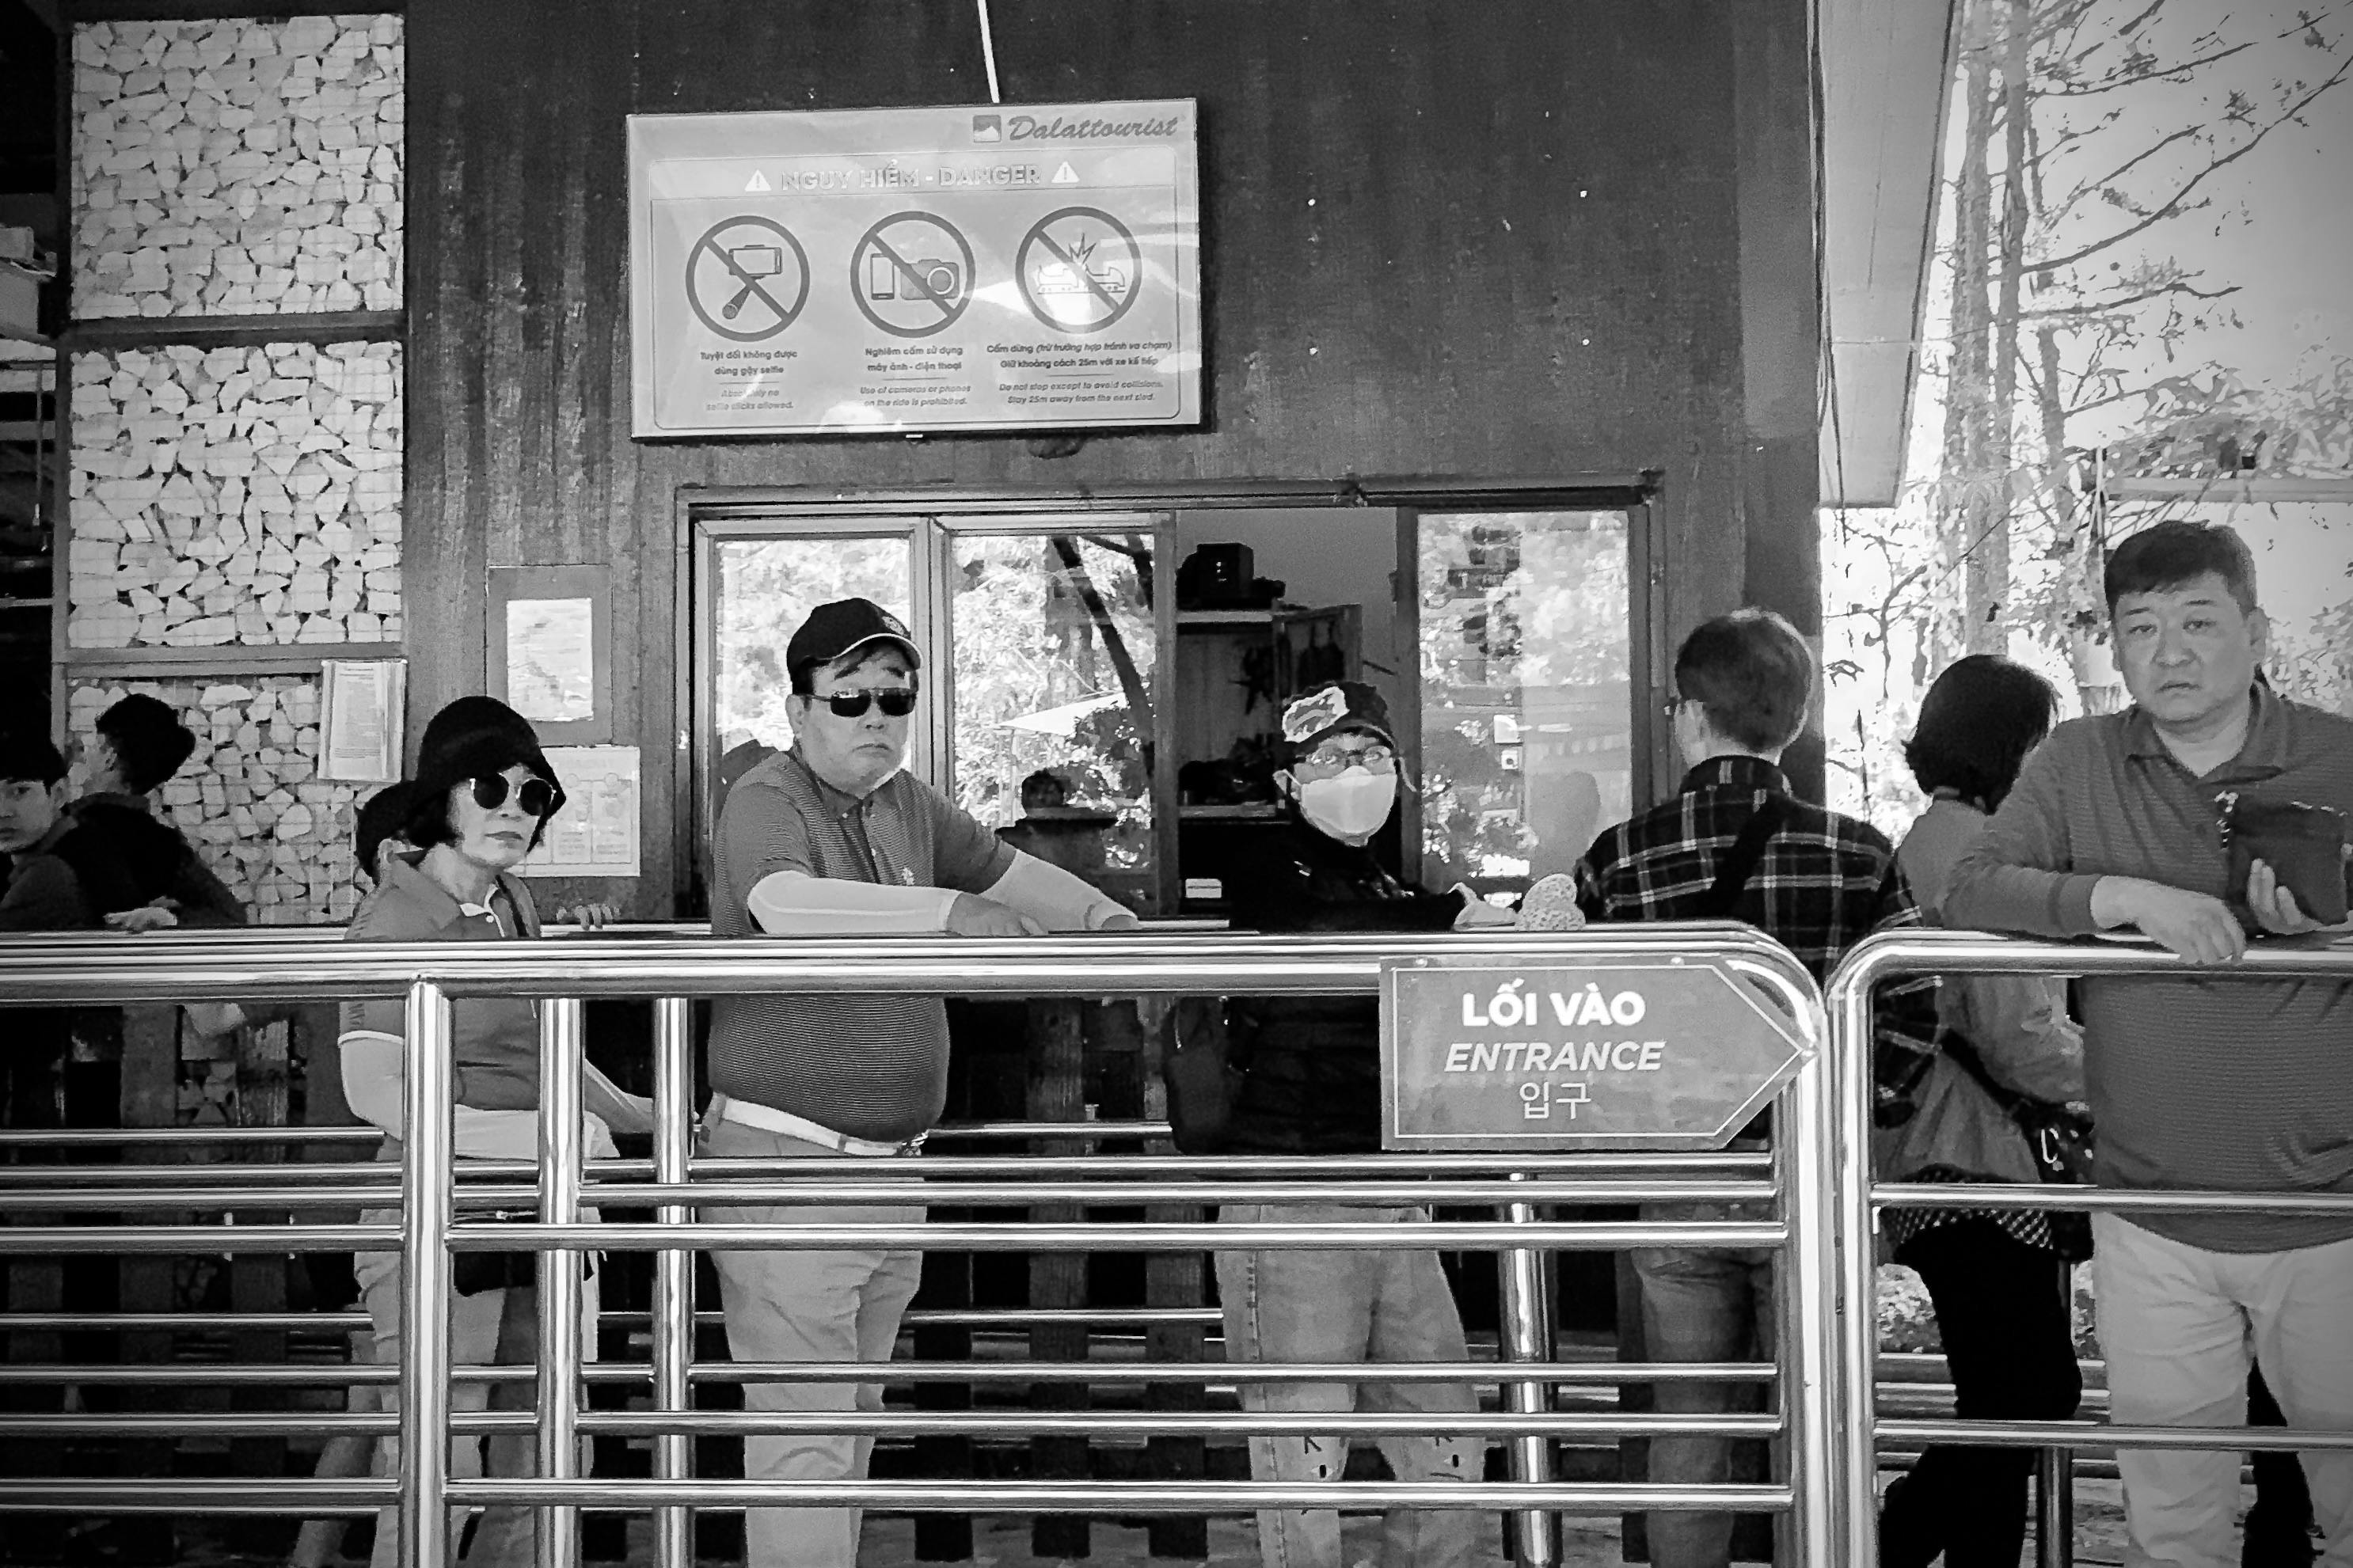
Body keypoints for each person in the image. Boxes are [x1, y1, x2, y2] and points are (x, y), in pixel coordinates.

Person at [1944, 521, 2353, 1568]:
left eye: (2200, 623)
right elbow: (1973, 886)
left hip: (2333, 1210)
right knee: (2173, 1520)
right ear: (2114, 648)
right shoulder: (2079, 759)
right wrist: (2122, 899)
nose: (2171, 653)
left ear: (2257, 632)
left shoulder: (2337, 754)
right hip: (2149, 1211)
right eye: (2142, 628)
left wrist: (2333, 925)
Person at [703, 598, 1137, 1567]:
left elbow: (1010, 872)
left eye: (892, 697)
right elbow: (780, 902)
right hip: (787, 1163)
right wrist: (947, 914)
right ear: (799, 706)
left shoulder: (907, 803)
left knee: (849, 1424)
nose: (873, 717)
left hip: (891, 1170)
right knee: (803, 1436)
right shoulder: (764, 798)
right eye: (848, 695)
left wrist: (1112, 927)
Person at [1576, 608, 1942, 1568]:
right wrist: (1848, 1123)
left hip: (1683, 1180)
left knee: (1689, 1428)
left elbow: (1581, 1022)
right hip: (1811, 1180)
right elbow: (1909, 1012)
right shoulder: (1859, 850)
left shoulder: (1620, 857)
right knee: (1818, 1422)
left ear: (1688, 715)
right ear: (1794, 719)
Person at [1211, 681, 1515, 1568]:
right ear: (1287, 780)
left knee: (1446, 1442)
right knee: (1302, 1465)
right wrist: (1447, 917)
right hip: (1291, 1199)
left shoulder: (1391, 882)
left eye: (1375, 756)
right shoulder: (1268, 868)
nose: (1359, 773)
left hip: (1396, 1198)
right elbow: (1313, 929)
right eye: (1333, 758)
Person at [337, 697, 646, 1568]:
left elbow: (542, 1055)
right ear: (442, 799)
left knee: (548, 1446)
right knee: (444, 1452)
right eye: (489, 786)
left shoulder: (511, 902)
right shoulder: (393, 918)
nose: (514, 805)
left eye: (535, 792)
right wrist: (558, 1139)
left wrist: (644, 1116)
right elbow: (376, 1090)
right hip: (439, 1206)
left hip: (536, 1200)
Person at [1875, 655, 2088, 1568]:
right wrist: (2133, 1078)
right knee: (2029, 1390)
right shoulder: (1980, 856)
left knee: (2005, 1392)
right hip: (1976, 1160)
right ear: (2011, 748)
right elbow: (2019, 1036)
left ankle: (1935, 1542)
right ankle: (1894, 1534)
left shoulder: (1921, 841)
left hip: (1932, 1152)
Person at [67, 692, 244, 931]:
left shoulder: (63, 826)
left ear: (108, 754)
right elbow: (230, 916)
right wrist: (169, 920)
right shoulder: (165, 845)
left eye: (94, 744)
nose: (82, 752)